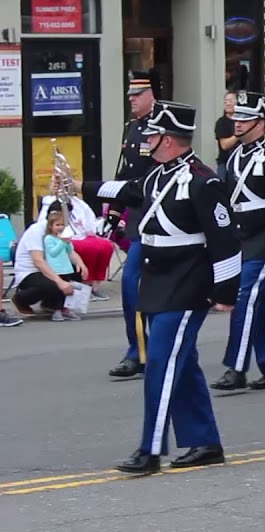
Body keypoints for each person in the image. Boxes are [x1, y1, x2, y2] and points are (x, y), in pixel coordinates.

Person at [80, 100, 238, 474]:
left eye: (152, 135)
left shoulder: (203, 181)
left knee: (162, 365)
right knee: (183, 365)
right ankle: (204, 440)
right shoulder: (157, 174)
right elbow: (127, 190)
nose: (146, 140)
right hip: (159, 281)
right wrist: (79, 186)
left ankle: (149, 449)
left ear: (168, 139)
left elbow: (226, 240)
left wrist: (226, 293)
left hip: (187, 285)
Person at [209, 89, 265, 392]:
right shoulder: (234, 156)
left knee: (244, 297)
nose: (238, 123)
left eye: (246, 118)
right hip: (241, 237)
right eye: (237, 116)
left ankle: (236, 367)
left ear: (261, 123)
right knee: (260, 303)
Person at [99, 71, 159, 379]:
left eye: (137, 95)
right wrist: (113, 213)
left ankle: (157, 348)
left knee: (158, 288)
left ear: (151, 95)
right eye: (130, 97)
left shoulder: (163, 124)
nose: (132, 101)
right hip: (137, 219)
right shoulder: (132, 128)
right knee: (130, 284)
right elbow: (125, 176)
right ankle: (137, 350)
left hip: (159, 219)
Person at [11, 204, 89, 321]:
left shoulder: (63, 230)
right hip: (31, 271)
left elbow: (70, 250)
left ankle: (52, 303)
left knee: (76, 271)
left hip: (54, 266)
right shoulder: (37, 230)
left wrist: (81, 264)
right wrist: (59, 282)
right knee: (51, 285)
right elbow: (38, 261)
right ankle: (21, 299)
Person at [34, 194, 114, 300]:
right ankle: (86, 283)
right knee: (89, 248)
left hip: (77, 236)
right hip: (59, 258)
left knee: (106, 245)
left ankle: (95, 285)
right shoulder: (47, 223)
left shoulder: (78, 203)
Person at [214, 92, 237, 179]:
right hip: (225, 162)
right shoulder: (221, 122)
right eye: (226, 101)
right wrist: (238, 135)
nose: (228, 103)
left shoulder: (242, 120)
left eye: (231, 101)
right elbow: (224, 145)